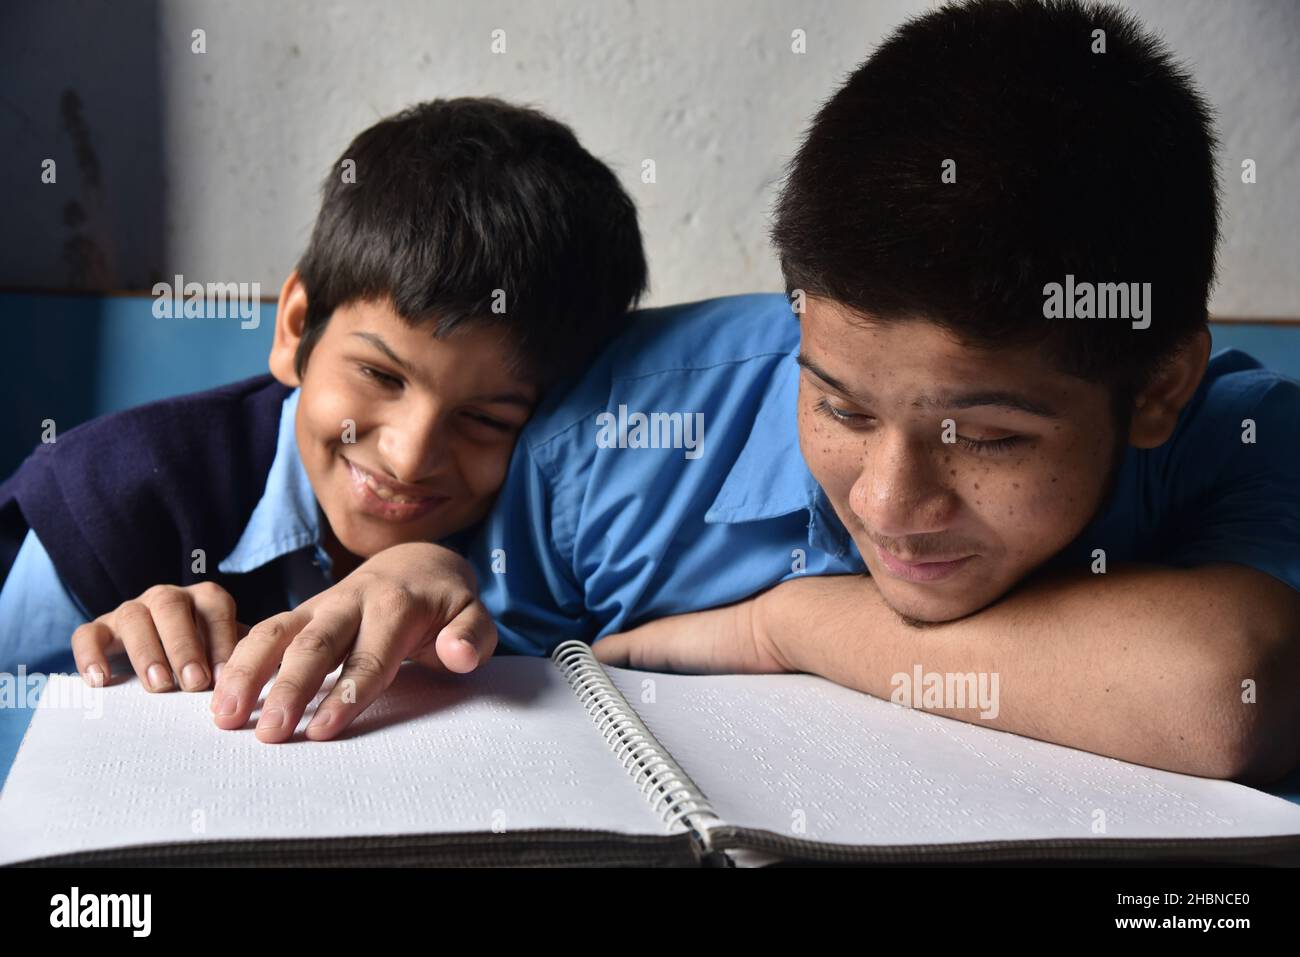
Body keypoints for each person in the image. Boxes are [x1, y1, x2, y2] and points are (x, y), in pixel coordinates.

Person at [152, 0, 1300, 780]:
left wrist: (781, 627)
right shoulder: (614, 434)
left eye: (985, 437)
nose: (894, 503)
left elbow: (1225, 690)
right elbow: (481, 665)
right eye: (840, 407)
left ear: (1158, 386)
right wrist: (423, 574)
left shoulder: (1243, 437)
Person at [0, 97, 648, 717]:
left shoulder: (565, 526)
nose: (411, 454)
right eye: (379, 373)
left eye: (486, 419)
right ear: (295, 327)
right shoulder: (116, 494)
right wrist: (113, 665)